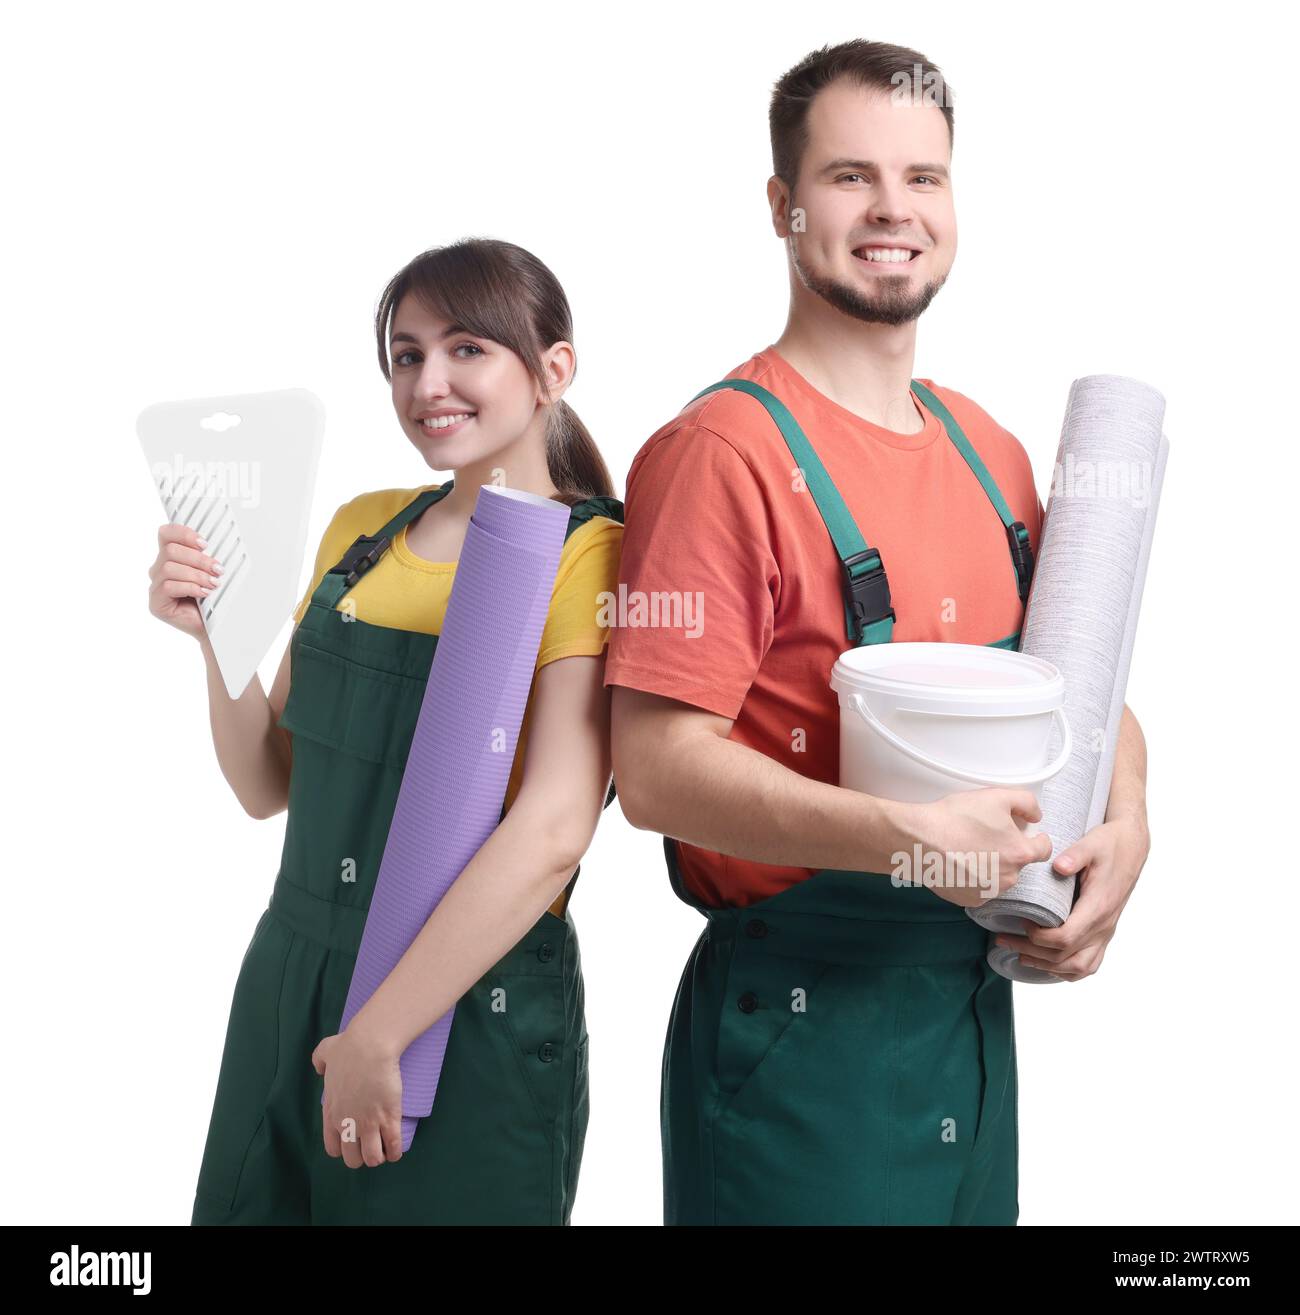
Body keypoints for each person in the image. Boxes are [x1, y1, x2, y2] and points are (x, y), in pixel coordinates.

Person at [605, 40, 1151, 1225]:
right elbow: (655, 774)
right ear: (782, 204)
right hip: (797, 1044)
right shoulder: (721, 455)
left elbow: (1081, 695)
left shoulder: (989, 453)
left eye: (925, 177)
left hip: (965, 1014)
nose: (892, 210)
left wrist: (1129, 822)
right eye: (851, 175)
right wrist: (909, 837)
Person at [150, 238, 623, 1225]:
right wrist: (213, 639)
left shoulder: (591, 552)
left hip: (468, 1003)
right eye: (406, 356)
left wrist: (381, 1034)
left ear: (553, 370)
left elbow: (551, 832)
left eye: (466, 350)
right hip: (292, 975)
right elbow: (265, 783)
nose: (429, 384)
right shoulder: (362, 532)